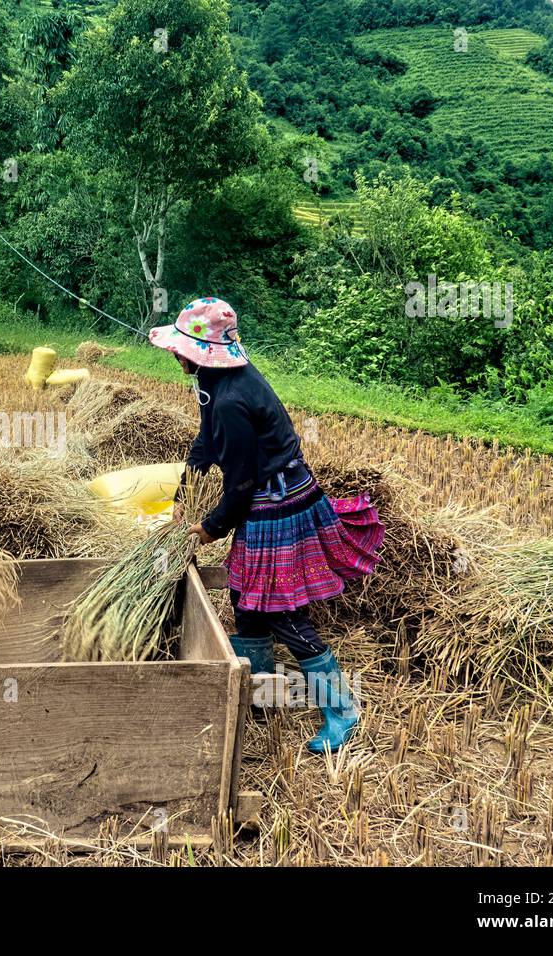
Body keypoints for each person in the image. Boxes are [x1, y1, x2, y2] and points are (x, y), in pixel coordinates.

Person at [150, 297, 385, 753]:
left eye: (180, 348)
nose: (175, 355)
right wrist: (184, 495)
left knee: (279, 609)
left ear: (198, 350)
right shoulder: (215, 380)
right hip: (268, 493)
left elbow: (239, 485)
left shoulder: (231, 401)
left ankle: (342, 708)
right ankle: (258, 688)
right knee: (245, 594)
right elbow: (205, 443)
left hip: (277, 499)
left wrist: (209, 527)